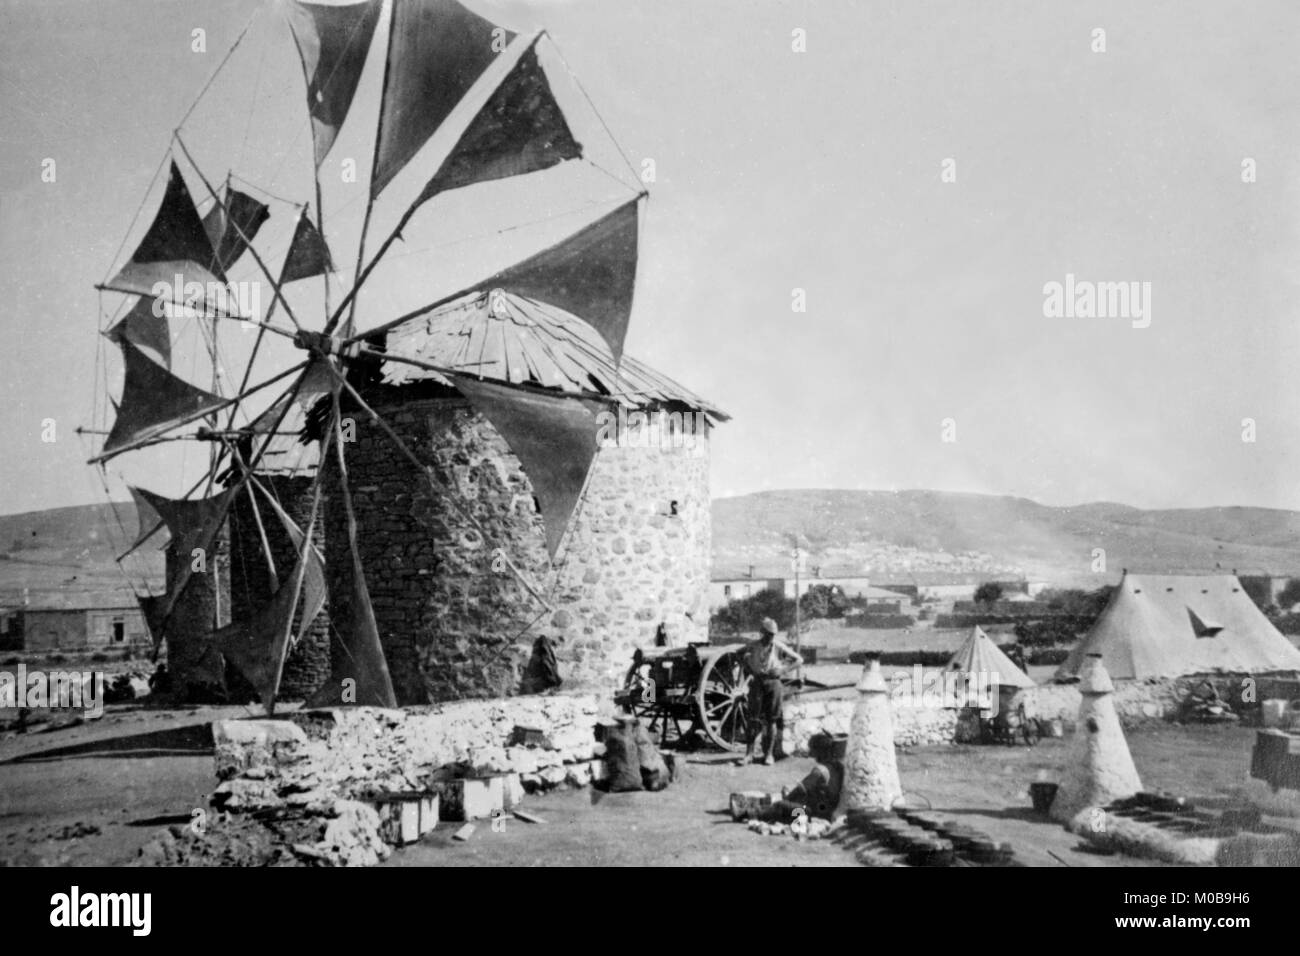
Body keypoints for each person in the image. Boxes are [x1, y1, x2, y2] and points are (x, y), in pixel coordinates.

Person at [741, 617, 803, 765]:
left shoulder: (778, 646)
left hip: (774, 684)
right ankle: (748, 755)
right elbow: (738, 654)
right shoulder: (753, 646)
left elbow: (799, 660)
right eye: (768, 634)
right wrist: (749, 669)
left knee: (771, 720)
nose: (771, 637)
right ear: (762, 633)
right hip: (757, 683)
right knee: (752, 720)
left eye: (773, 634)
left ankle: (769, 755)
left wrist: (783, 670)